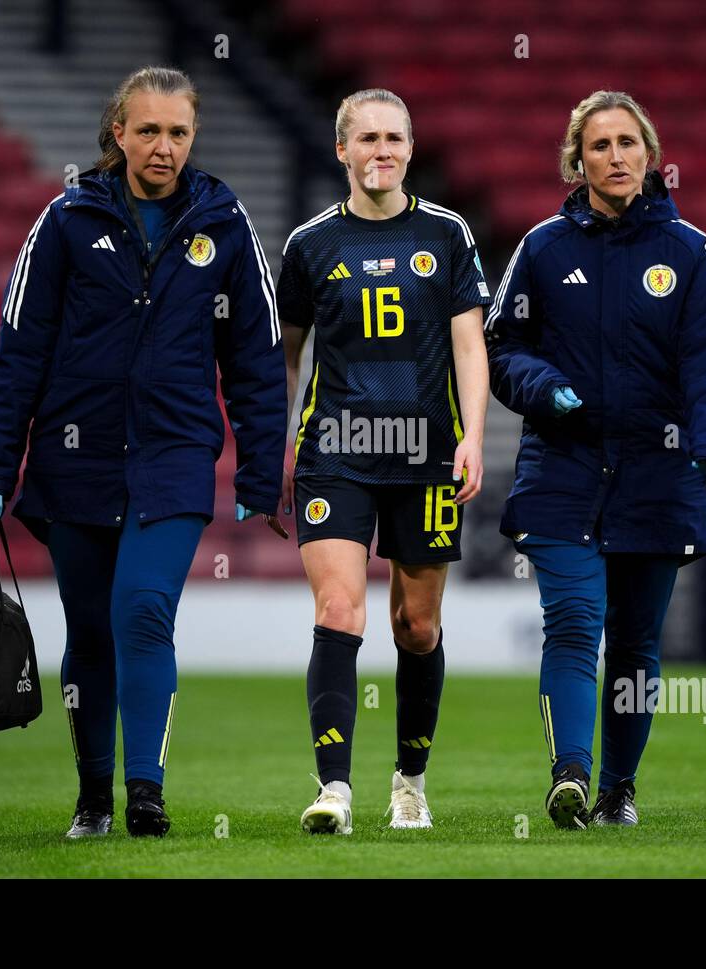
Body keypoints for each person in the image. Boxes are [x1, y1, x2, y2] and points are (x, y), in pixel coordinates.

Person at [0, 66, 287, 839]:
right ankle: (92, 797)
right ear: (118, 133)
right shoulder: (66, 221)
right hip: (74, 461)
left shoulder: (225, 223)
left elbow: (257, 353)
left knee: (143, 609)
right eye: (149, 130)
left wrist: (257, 468)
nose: (164, 146)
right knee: (89, 631)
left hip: (174, 457)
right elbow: (21, 354)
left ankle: (144, 792)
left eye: (179, 132)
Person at [485, 90, 706, 828]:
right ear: (578, 160)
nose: (617, 156)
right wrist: (544, 387)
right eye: (600, 145)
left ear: (650, 155)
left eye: (628, 142)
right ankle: (571, 773)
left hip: (658, 475)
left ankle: (617, 791)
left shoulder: (689, 253)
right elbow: (502, 347)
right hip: (563, 469)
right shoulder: (541, 248)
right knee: (572, 617)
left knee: (635, 642)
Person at [276, 89, 492, 834]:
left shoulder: (448, 231)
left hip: (428, 452)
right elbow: (288, 351)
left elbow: (470, 344)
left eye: (394, 137)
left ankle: (409, 781)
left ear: (410, 145)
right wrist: (280, 434)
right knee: (339, 609)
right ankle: (334, 787)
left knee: (417, 628)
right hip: (336, 451)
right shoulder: (308, 245)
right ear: (342, 150)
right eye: (366, 138)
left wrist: (474, 436)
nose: (382, 150)